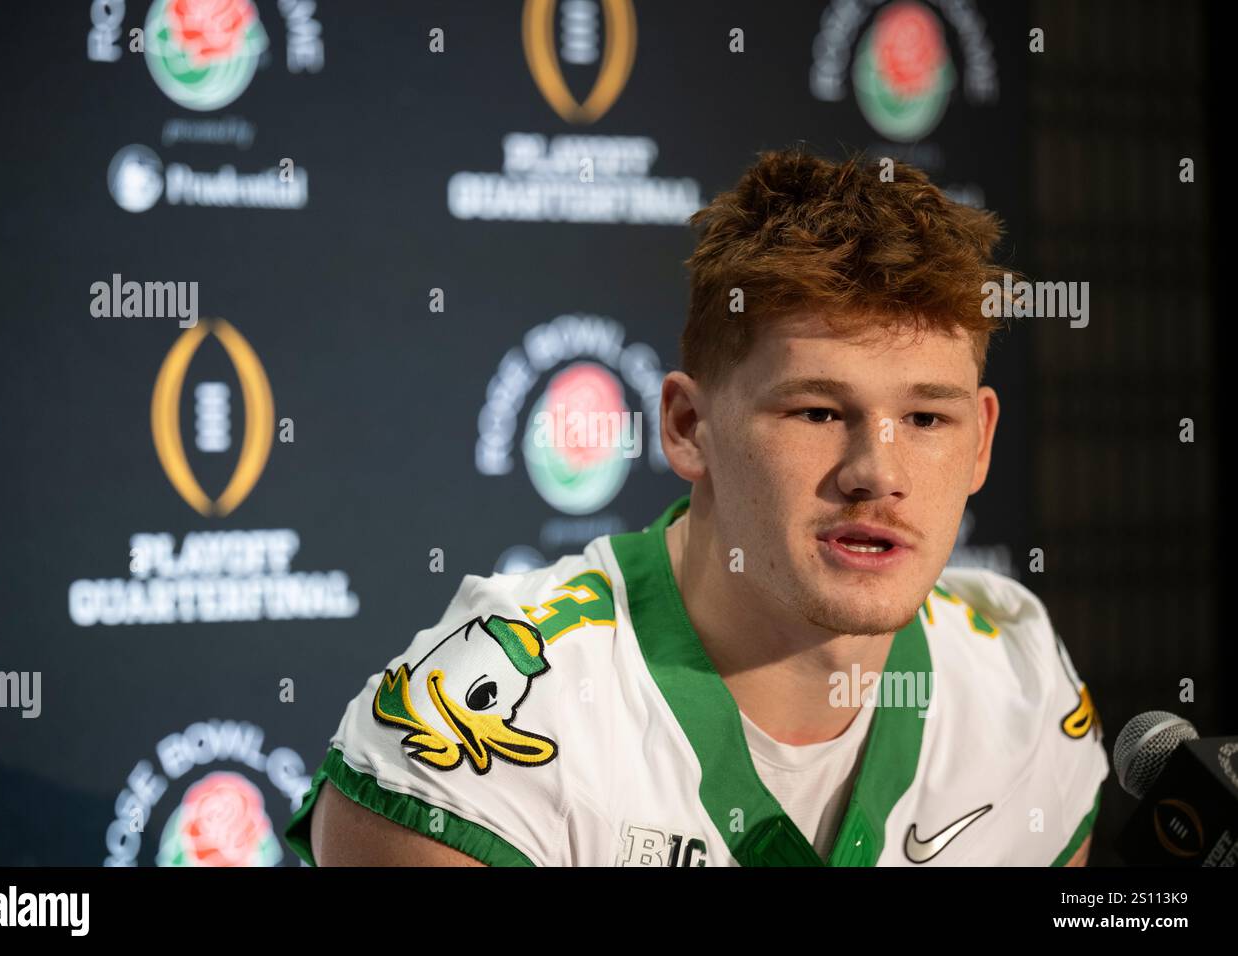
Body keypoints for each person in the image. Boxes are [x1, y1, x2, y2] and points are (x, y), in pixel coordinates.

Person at [284, 146, 1107, 866]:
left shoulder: (1020, 679)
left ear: (982, 441)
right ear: (687, 426)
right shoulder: (477, 727)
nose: (875, 473)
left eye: (927, 418)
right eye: (817, 412)